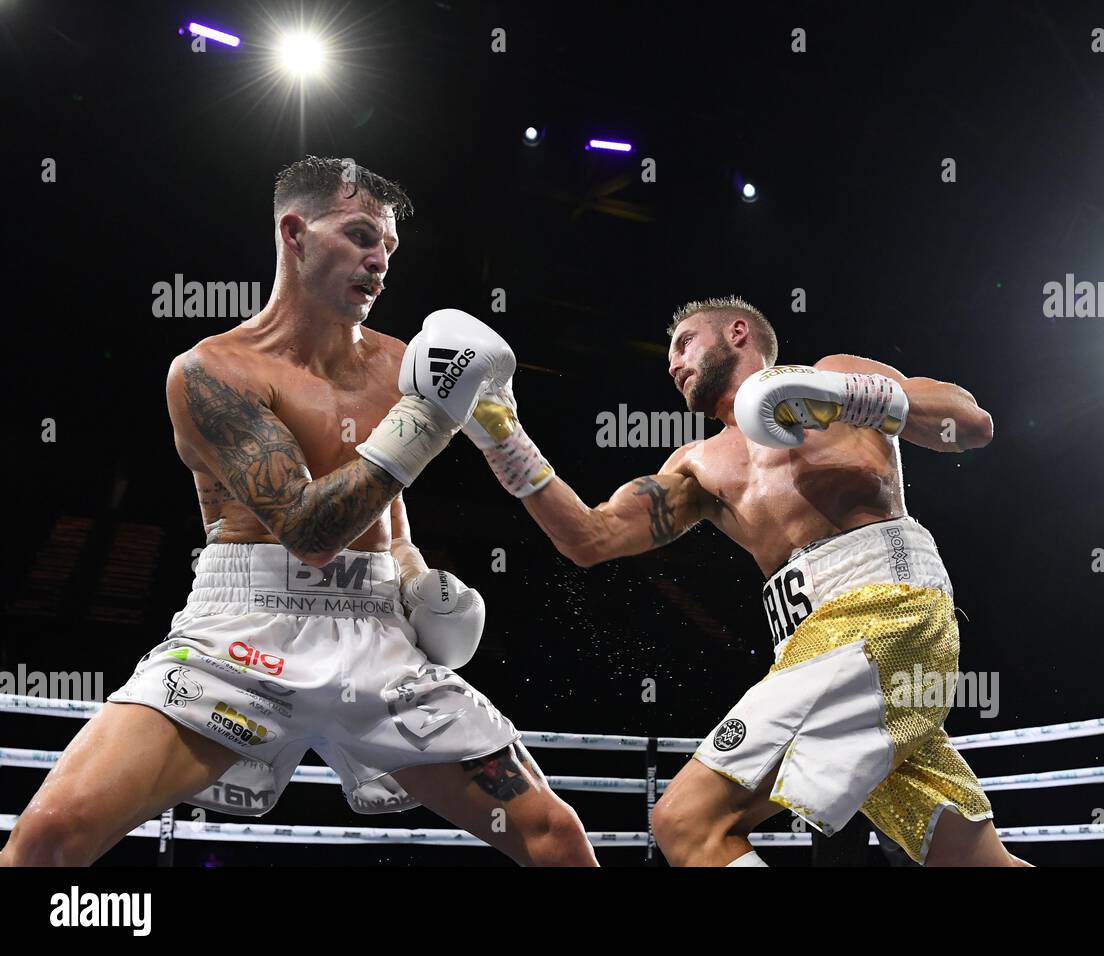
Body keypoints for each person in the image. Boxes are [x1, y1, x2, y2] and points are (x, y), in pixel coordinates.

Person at [0, 157, 595, 867]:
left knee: (554, 837)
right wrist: (432, 418)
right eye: (361, 236)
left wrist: (417, 584)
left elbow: (391, 526)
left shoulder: (403, 364)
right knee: (47, 840)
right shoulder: (213, 370)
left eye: (389, 248)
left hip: (377, 634)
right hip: (242, 629)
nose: (380, 261)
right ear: (295, 233)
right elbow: (310, 530)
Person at [460, 294, 1028, 866]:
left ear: (737, 333)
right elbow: (589, 538)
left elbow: (971, 423)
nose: (672, 362)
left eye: (684, 342)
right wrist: (499, 432)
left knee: (685, 819)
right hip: (825, 655)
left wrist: (845, 398)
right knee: (972, 861)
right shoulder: (698, 465)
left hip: (882, 613)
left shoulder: (831, 376)